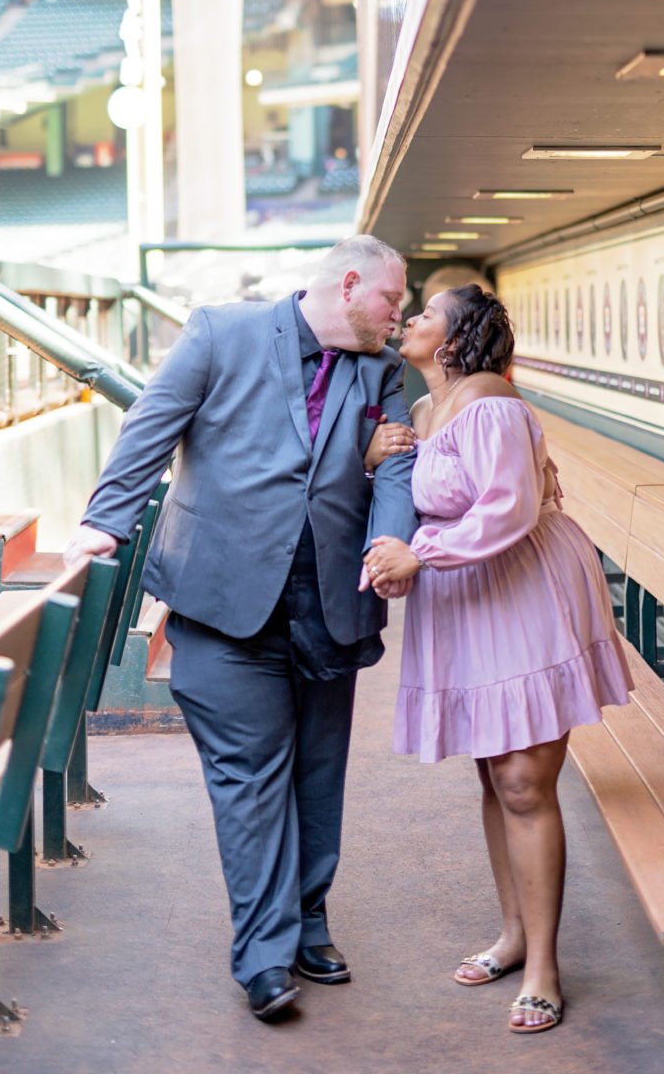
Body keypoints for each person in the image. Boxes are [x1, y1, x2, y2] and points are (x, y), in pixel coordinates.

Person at [65, 236, 418, 1022]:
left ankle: (308, 920)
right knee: (251, 773)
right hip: (223, 600)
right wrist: (104, 524)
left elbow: (396, 463)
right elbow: (151, 427)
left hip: (331, 600)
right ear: (351, 286)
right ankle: (263, 956)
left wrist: (390, 541)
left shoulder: (382, 369)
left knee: (317, 773)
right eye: (393, 300)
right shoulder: (222, 332)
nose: (401, 316)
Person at [362, 284, 632, 1036]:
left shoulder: (491, 405)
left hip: (520, 588)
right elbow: (414, 497)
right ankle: (513, 936)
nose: (411, 320)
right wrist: (370, 459)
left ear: (453, 340)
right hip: (465, 595)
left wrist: (419, 553)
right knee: (493, 770)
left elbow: (507, 508)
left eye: (424, 313)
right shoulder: (424, 413)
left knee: (523, 780)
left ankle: (544, 965)